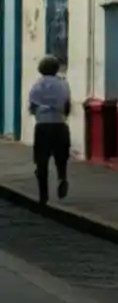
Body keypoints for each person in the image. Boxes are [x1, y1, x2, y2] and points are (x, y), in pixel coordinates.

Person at [28, 55, 71, 205]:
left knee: (41, 161)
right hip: (59, 125)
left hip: (43, 126)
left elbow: (32, 108)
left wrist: (40, 113)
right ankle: (62, 177)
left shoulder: (37, 86)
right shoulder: (63, 84)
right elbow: (67, 106)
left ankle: (43, 196)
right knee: (61, 157)